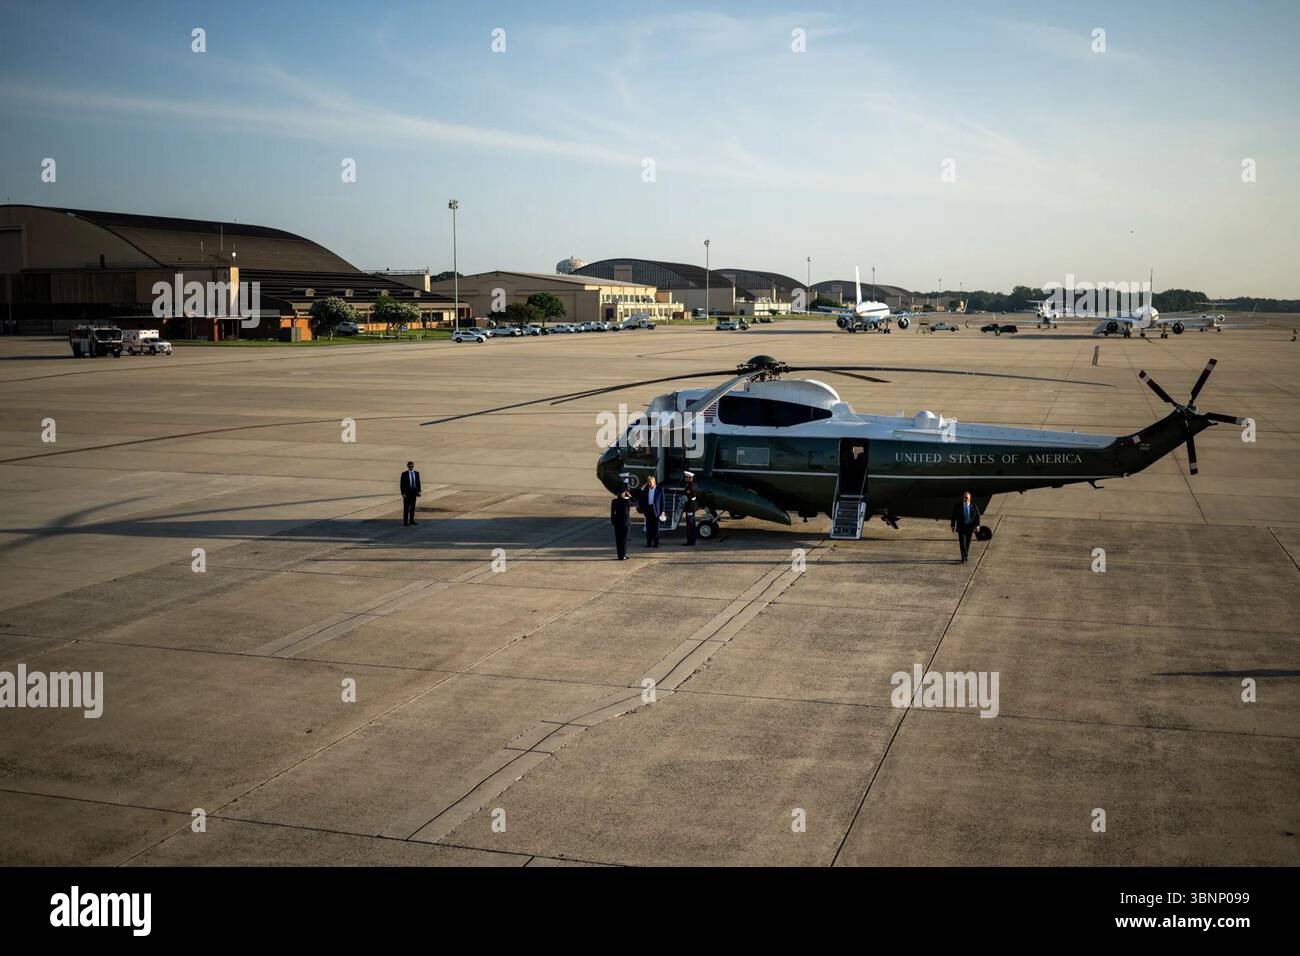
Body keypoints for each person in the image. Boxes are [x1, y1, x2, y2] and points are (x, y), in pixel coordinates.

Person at [949, 490, 981, 564]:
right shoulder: (958, 506)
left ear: (970, 498)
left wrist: (978, 526)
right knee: (962, 543)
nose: (965, 498)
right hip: (961, 527)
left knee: (967, 543)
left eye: (966, 497)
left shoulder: (974, 506)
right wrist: (953, 525)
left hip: (970, 527)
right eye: (964, 497)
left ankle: (965, 554)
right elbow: (953, 516)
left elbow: (977, 517)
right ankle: (963, 557)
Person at [639, 475, 665, 547]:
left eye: (650, 482)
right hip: (648, 510)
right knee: (649, 528)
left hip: (656, 511)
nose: (649, 484)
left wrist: (662, 511)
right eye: (648, 482)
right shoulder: (646, 489)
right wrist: (642, 490)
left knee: (656, 528)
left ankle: (655, 544)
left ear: (654, 482)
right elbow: (641, 499)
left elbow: (662, 501)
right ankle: (649, 543)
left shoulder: (659, 489)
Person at [610, 482, 633, 559]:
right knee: (625, 540)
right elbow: (636, 503)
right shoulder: (626, 501)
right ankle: (623, 554)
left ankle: (620, 555)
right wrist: (630, 495)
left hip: (617, 523)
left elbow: (612, 513)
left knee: (618, 540)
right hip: (625, 523)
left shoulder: (614, 501)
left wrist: (613, 522)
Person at [399, 460, 421, 526]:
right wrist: (403, 493)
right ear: (407, 466)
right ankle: (405, 521)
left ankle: (411, 520)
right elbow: (401, 485)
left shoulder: (416, 473)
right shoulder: (404, 474)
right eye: (410, 466)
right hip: (407, 493)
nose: (411, 467)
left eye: (412, 466)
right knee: (406, 508)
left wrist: (419, 491)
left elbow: (418, 483)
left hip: (414, 493)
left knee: (412, 508)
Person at [681, 471, 699, 546]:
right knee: (691, 525)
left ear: (690, 478)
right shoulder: (690, 485)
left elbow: (688, 494)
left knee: (690, 525)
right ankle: (691, 541)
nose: (685, 478)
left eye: (686, 477)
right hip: (691, 507)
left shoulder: (691, 486)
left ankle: (691, 541)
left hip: (690, 508)